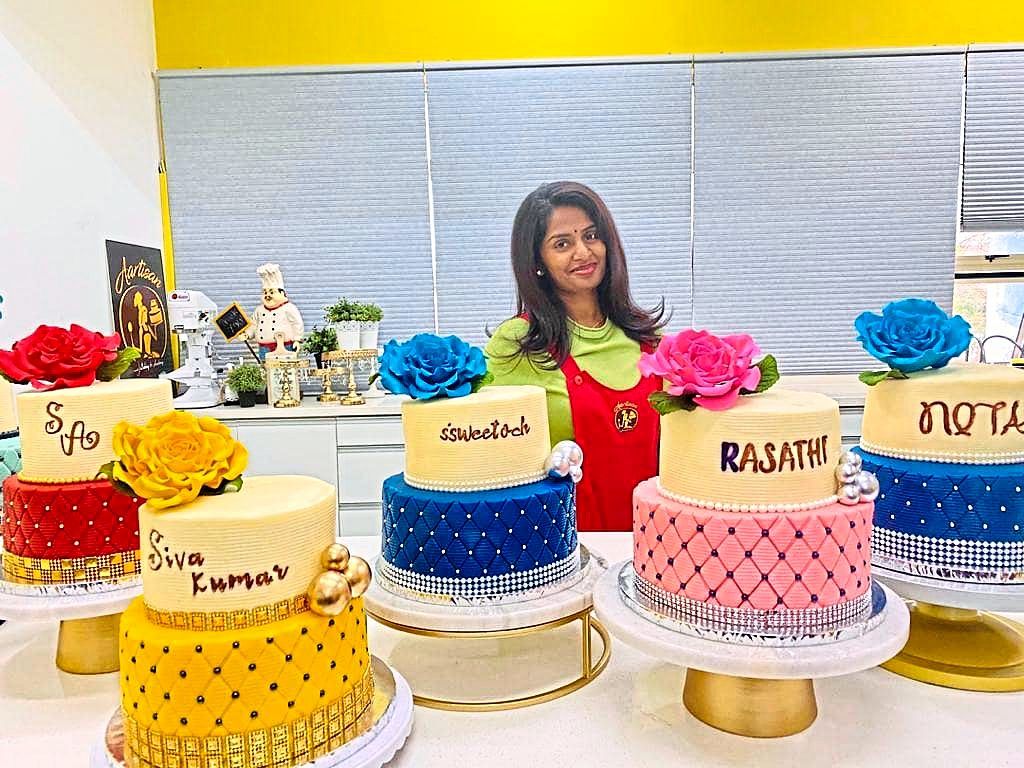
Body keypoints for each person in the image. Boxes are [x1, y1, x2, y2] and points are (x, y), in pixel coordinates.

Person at [485, 181, 665, 531]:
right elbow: (493, 454)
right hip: (561, 545)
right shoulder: (518, 342)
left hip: (656, 543)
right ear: (537, 261)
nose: (583, 252)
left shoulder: (650, 341)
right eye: (562, 243)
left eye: (592, 235)